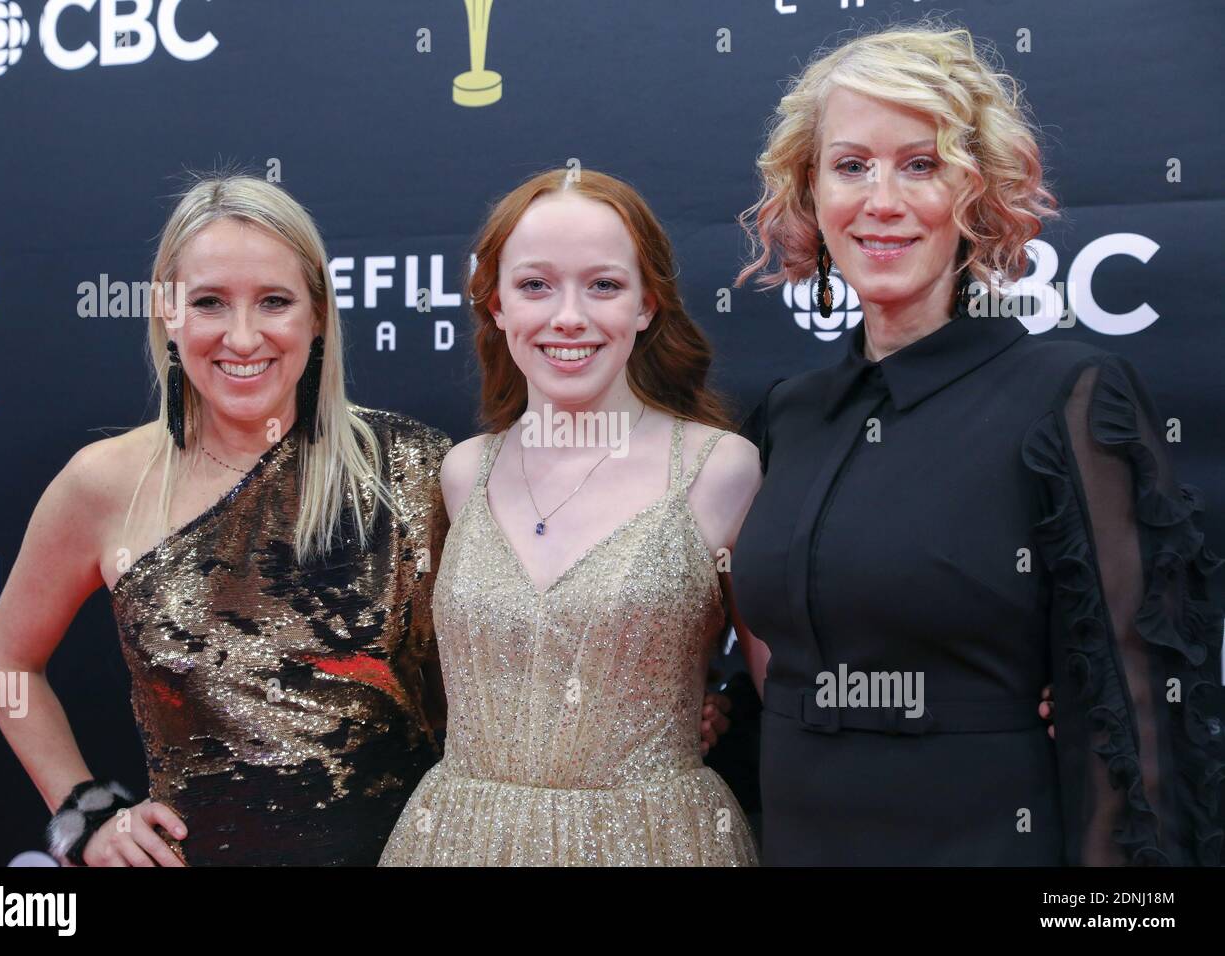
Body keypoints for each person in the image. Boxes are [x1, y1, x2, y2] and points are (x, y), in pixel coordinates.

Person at [730, 21, 1224, 865]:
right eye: (851, 165)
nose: (881, 199)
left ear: (977, 194)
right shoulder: (788, 413)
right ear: (811, 194)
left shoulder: (1067, 396)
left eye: (920, 165)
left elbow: (1137, 720)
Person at [0, 174, 451, 866]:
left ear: (318, 315)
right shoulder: (103, 484)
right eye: (209, 302)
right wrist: (85, 814)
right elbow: (7, 662)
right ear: (167, 313)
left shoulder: (416, 470)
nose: (242, 335)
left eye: (274, 302)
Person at [378, 168, 761, 865]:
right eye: (535, 285)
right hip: (462, 841)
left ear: (648, 305)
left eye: (604, 285)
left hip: (658, 843)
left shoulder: (721, 468)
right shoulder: (464, 472)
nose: (569, 317)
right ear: (495, 305)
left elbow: (784, 683)